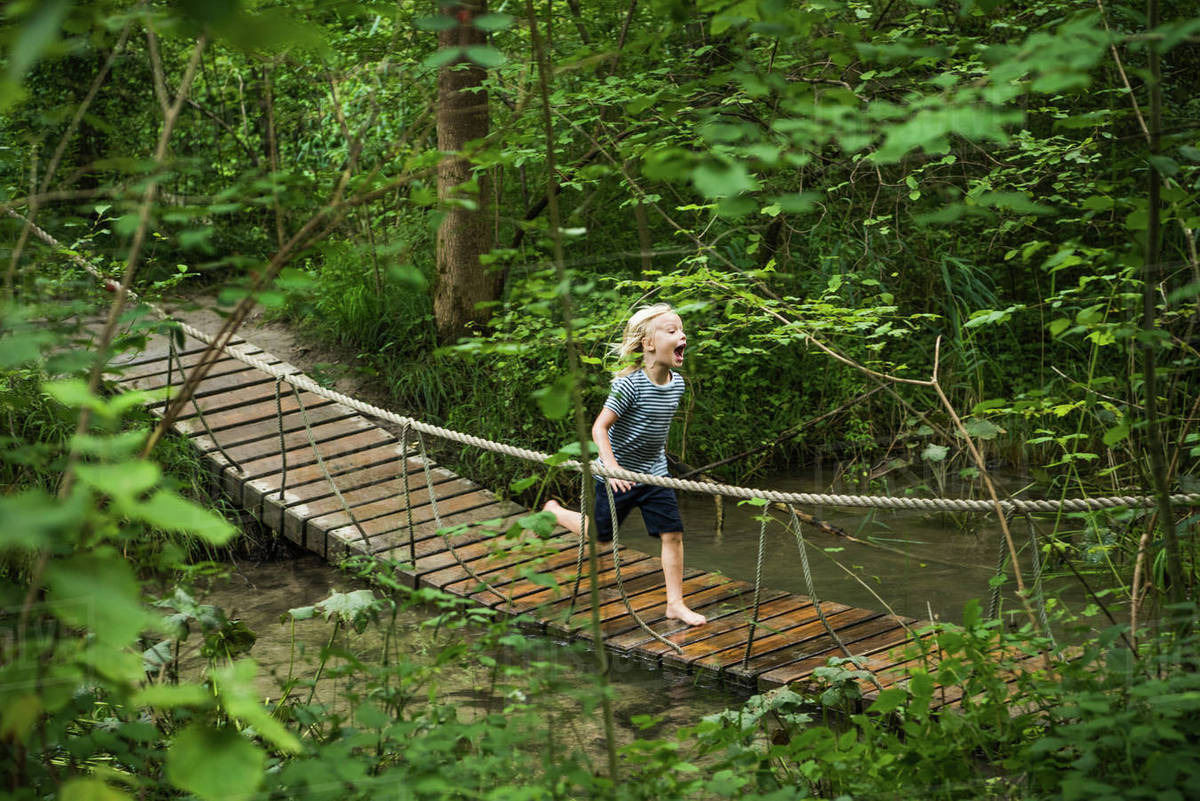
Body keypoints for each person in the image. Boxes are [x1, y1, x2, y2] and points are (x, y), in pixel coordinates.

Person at [543, 303, 707, 627]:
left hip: (654, 474)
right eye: (671, 331)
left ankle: (675, 604)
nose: (682, 335)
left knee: (672, 534)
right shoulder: (629, 385)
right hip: (616, 475)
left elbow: (656, 428)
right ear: (648, 344)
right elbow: (599, 428)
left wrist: (659, 459)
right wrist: (612, 467)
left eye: (682, 330)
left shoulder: (677, 385)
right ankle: (555, 512)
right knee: (600, 536)